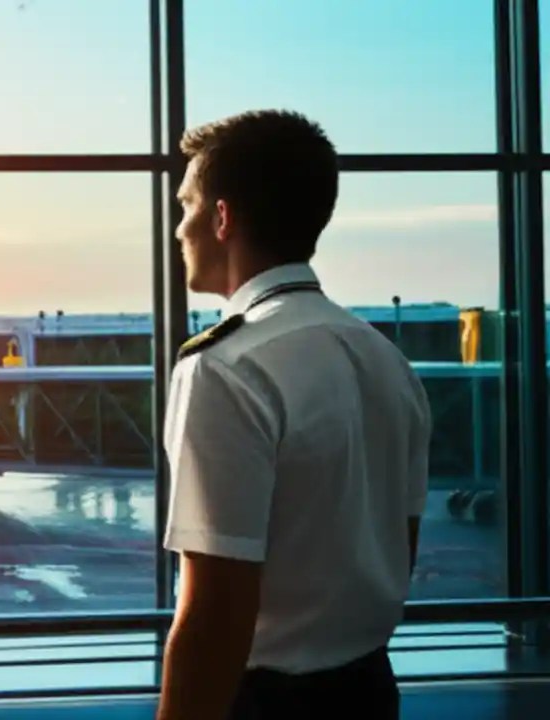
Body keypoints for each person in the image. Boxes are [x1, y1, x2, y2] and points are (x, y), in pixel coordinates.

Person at [154, 110, 432, 720]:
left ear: (221, 217)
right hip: (369, 690)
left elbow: (216, 609)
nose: (179, 228)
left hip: (266, 701)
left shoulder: (224, 369)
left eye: (187, 205)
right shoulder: (387, 361)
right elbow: (398, 546)